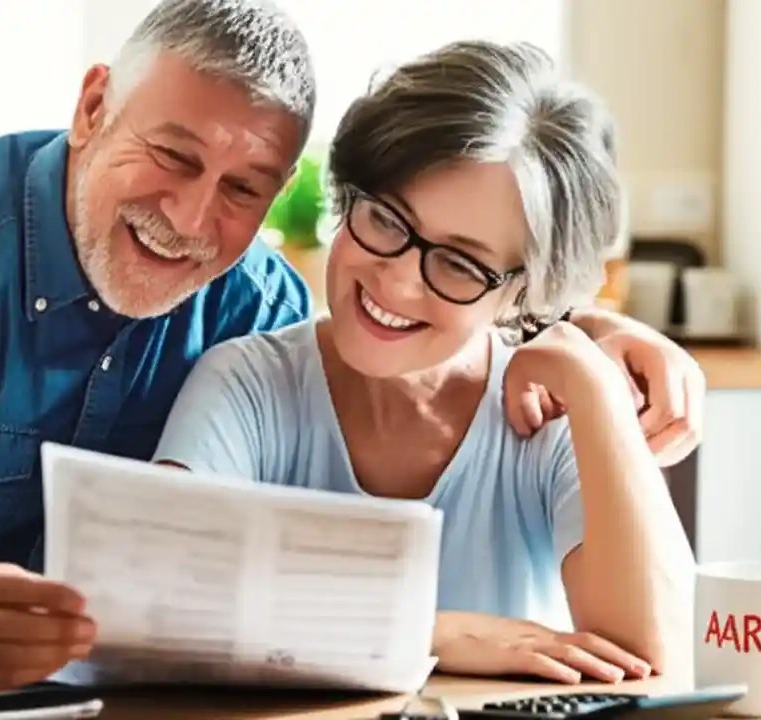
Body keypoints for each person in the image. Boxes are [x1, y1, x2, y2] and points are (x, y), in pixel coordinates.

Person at [0, 0, 701, 694]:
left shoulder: (248, 302)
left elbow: (413, 326)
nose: (187, 217)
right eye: (169, 156)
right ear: (93, 107)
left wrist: (579, 334)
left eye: (239, 191)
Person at [153, 40, 696, 685]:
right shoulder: (247, 384)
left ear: (521, 291)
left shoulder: (555, 414)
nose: (399, 284)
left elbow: (654, 659)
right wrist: (430, 632)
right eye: (386, 219)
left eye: (461, 264)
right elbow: (160, 598)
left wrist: (597, 389)